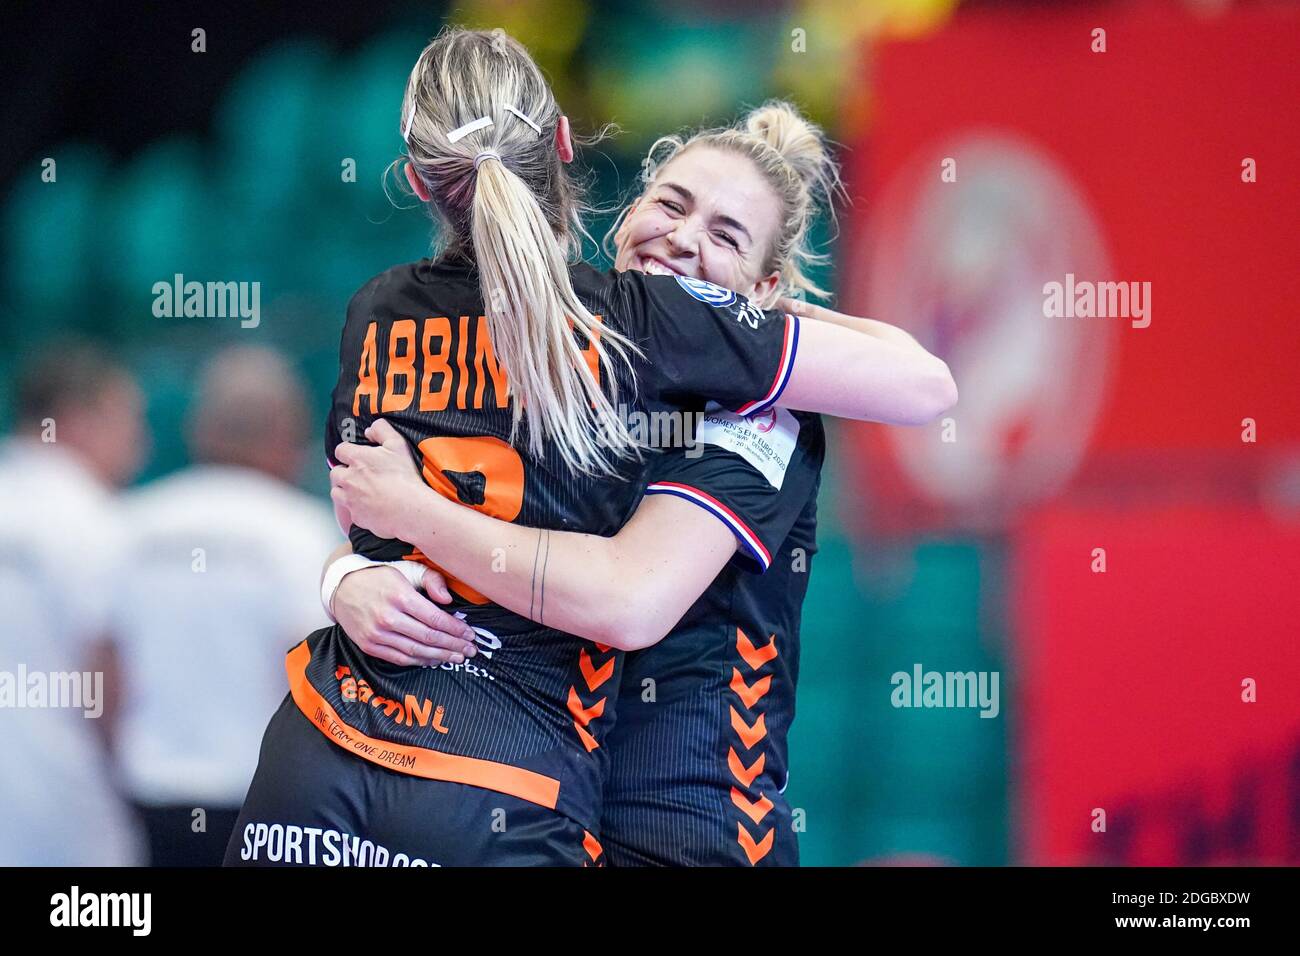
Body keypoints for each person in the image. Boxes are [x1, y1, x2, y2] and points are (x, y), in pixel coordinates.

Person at [227, 27, 954, 868]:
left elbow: (625, 599)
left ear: (762, 298)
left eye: (726, 237)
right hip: (542, 790)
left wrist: (415, 515)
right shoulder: (599, 343)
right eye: (672, 206)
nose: (685, 239)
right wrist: (347, 574)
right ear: (624, 203)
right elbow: (383, 505)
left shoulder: (753, 412)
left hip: (681, 826)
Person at [112, 345, 339, 865]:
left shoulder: (131, 525)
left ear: (199, 429)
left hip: (150, 797)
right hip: (263, 804)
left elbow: (104, 666)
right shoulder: (300, 533)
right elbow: (315, 676)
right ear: (289, 433)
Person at [0, 341, 147, 866]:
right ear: (80, 419)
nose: (142, 441)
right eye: (130, 417)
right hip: (69, 815)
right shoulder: (95, 522)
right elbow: (105, 678)